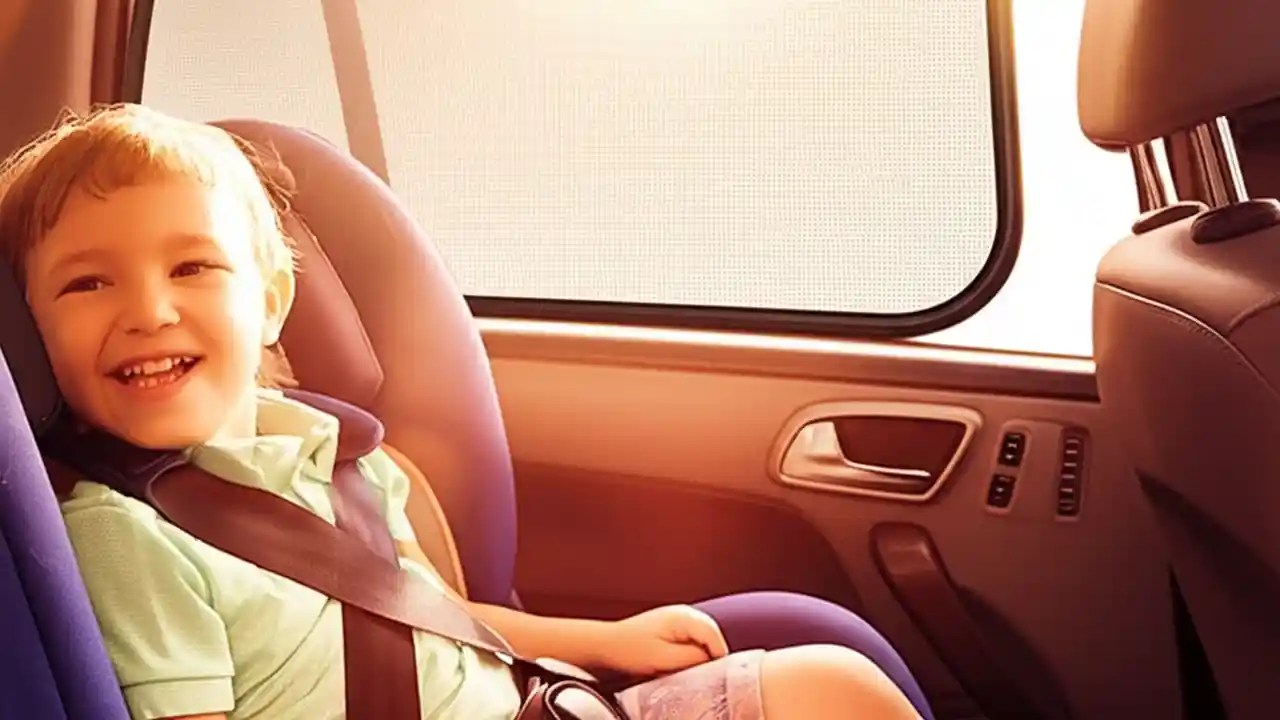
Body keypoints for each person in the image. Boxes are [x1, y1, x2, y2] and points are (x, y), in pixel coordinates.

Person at [0, 103, 921, 720]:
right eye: (87, 283)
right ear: (35, 342)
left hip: (532, 702)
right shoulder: (120, 535)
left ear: (273, 298)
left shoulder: (335, 457)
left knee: (838, 689)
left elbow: (437, 613)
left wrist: (602, 641)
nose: (149, 310)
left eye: (193, 267)